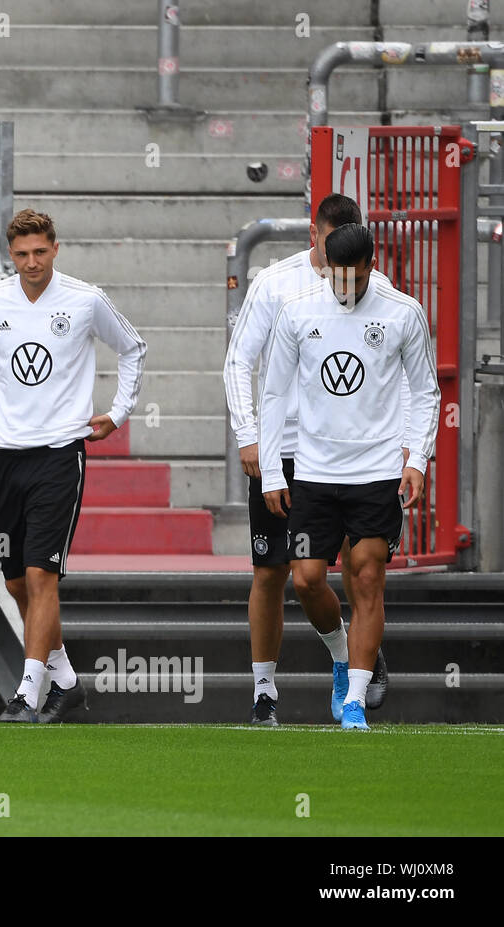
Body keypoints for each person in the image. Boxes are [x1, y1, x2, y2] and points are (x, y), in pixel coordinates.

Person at [0, 207, 146, 723]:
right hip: (4, 455)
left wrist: (119, 412)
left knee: (42, 576)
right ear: (10, 256)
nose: (31, 262)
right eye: (21, 254)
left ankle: (27, 692)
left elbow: (133, 348)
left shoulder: (85, 300)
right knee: (17, 581)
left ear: (55, 248)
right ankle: (67, 681)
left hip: (61, 453)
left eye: (40, 251)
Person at [259, 223, 439, 731]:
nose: (341, 286)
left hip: (377, 470)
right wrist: (273, 469)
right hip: (314, 470)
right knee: (308, 579)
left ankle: (356, 700)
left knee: (365, 573)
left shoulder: (403, 313)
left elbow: (426, 392)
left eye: (350, 277)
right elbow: (273, 394)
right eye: (332, 276)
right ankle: (343, 655)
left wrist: (417, 459)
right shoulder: (298, 312)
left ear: (368, 265)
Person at [223, 193, 391, 725]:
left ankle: (352, 673)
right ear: (313, 235)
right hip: (283, 449)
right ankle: (267, 691)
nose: (336, 252)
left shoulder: (378, 290)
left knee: (341, 571)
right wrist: (250, 438)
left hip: (345, 454)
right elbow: (238, 363)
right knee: (273, 571)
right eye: (328, 239)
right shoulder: (274, 284)